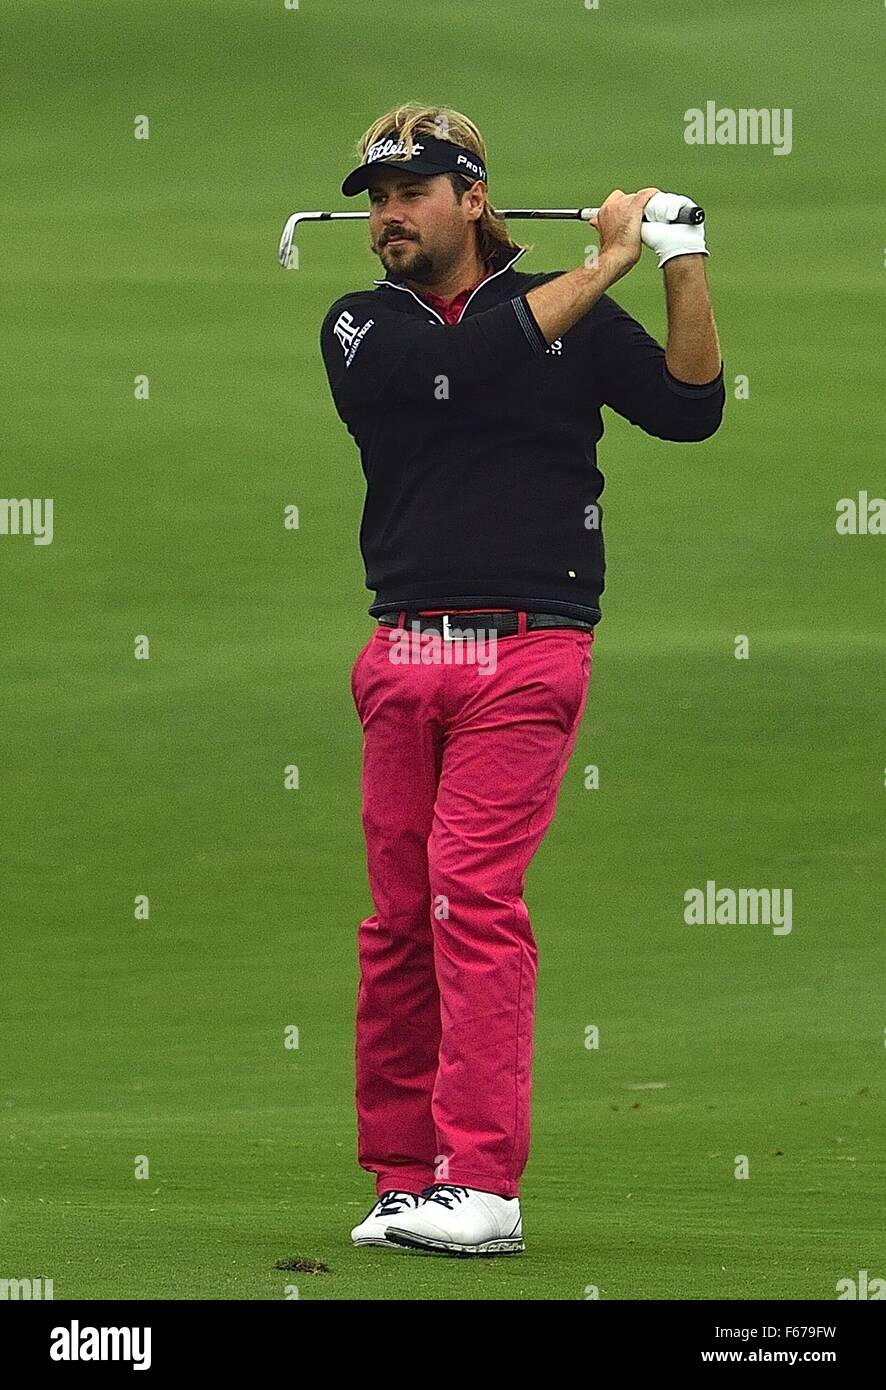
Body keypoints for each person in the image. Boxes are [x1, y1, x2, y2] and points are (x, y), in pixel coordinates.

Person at [318, 103, 724, 1256]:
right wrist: (607, 261)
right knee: (398, 920)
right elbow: (450, 371)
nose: (387, 217)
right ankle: (405, 1178)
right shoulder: (362, 324)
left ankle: (483, 1184)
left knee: (469, 892)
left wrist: (679, 261)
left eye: (411, 192)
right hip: (405, 647)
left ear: (472, 197)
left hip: (528, 644)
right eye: (375, 199)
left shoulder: (577, 313)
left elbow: (690, 411)